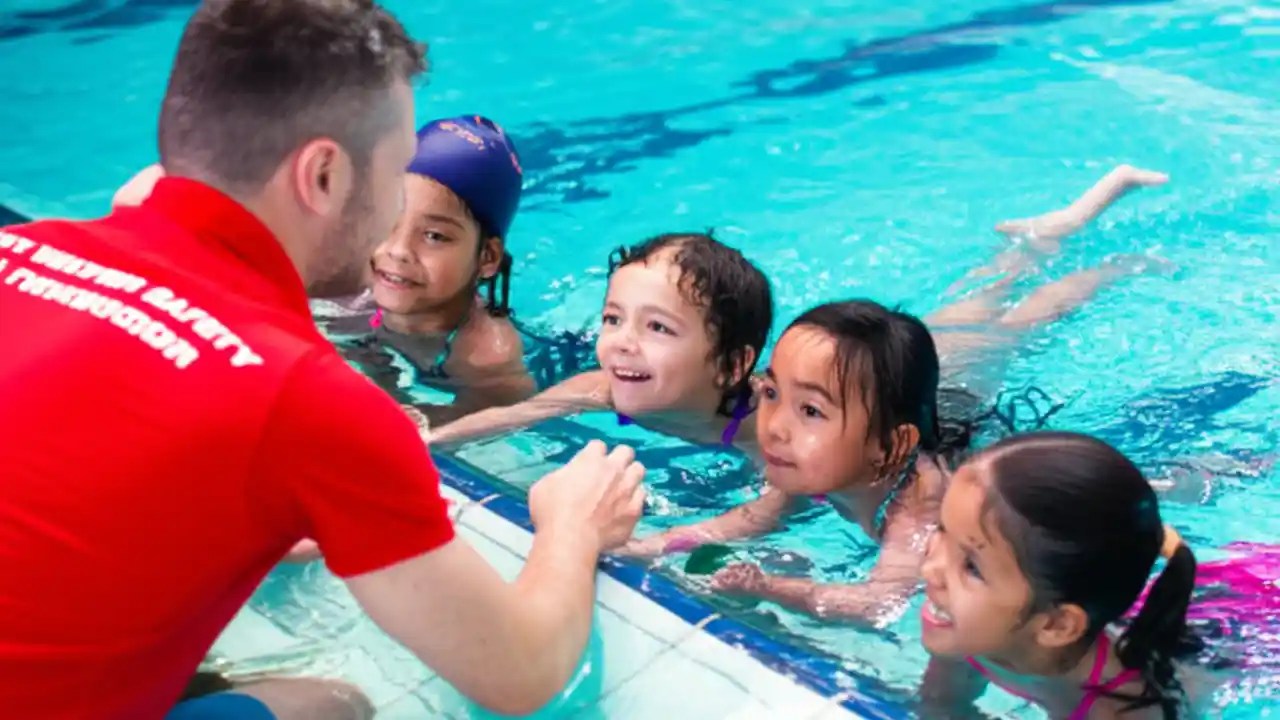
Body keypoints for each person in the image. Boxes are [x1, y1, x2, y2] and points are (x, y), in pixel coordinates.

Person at [0, 2, 643, 719]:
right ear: (325, 175)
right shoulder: (309, 399)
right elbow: (522, 673)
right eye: (396, 172)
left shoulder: (19, 253)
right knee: (330, 706)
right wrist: (572, 526)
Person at [619, 300, 964, 626]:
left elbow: (876, 604)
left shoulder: (916, 512)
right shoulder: (809, 468)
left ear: (889, 447)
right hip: (898, 415)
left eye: (811, 411)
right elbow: (745, 521)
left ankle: (1015, 269)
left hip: (961, 421)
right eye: (771, 393)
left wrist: (767, 587)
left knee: (976, 346)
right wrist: (644, 547)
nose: (774, 427)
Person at [917, 432, 1199, 719]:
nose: (929, 568)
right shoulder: (965, 631)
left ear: (1057, 625)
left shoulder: (1118, 710)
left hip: (1228, 634)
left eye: (972, 567)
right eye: (941, 529)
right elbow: (940, 707)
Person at [429, 231, 776, 455]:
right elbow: (512, 416)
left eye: (658, 327)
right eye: (613, 319)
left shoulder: (761, 429)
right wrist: (430, 441)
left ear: (731, 366)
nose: (623, 342)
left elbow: (777, 509)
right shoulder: (603, 388)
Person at [315, 115, 536, 423]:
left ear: (487, 257)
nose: (398, 250)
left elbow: (486, 428)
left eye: (434, 236)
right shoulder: (354, 291)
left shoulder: (486, 355)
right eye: (389, 218)